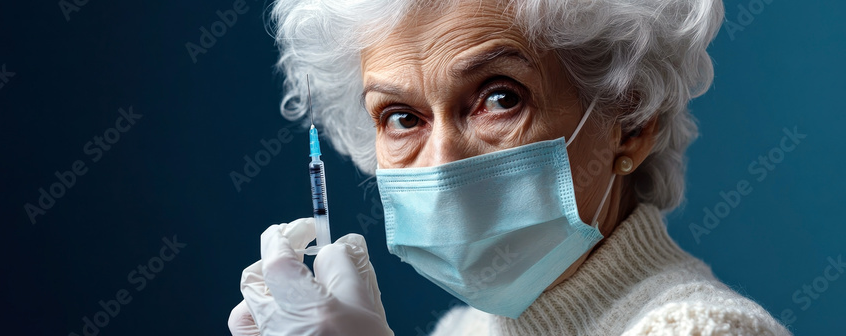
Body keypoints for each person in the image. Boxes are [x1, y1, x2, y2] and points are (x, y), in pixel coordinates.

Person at [229, 0, 791, 334]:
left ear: (633, 119)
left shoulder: (699, 328)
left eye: (500, 98)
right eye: (402, 118)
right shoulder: (461, 330)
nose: (444, 163)